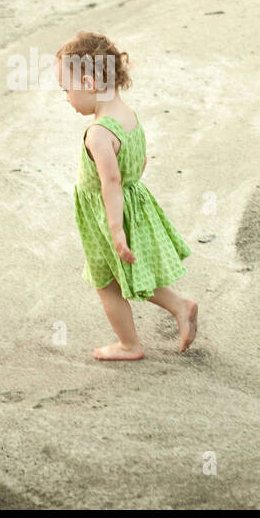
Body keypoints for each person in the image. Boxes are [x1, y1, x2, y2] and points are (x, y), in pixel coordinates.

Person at [55, 30, 197, 360]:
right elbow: (140, 160)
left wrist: (115, 228)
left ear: (90, 83)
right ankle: (179, 305)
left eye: (66, 89)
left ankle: (129, 345)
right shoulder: (127, 116)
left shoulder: (98, 132)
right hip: (133, 202)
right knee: (132, 272)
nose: (66, 98)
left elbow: (111, 181)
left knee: (106, 282)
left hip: (107, 214)